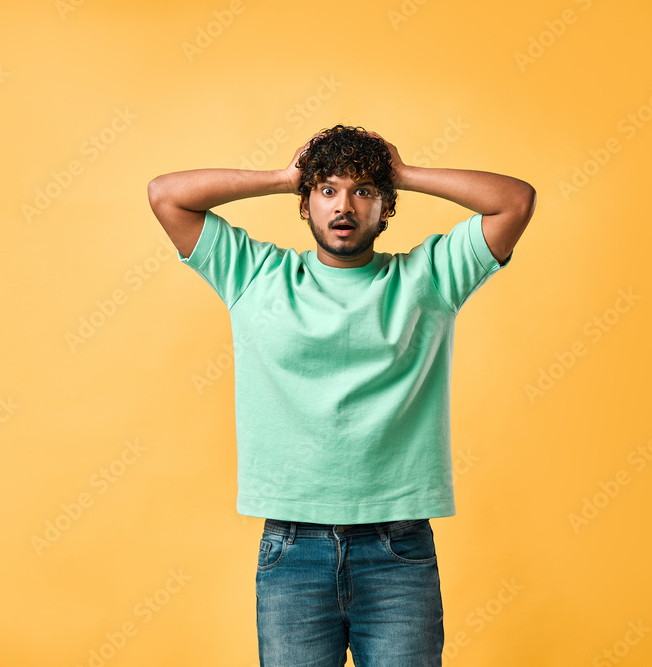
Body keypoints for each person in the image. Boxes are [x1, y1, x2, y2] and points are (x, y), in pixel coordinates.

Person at [147, 124, 536, 666]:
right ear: (305, 204)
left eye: (365, 191)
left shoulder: (430, 278)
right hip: (293, 546)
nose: (344, 205)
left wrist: (402, 172)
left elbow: (515, 201)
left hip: (397, 548)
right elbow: (166, 195)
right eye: (327, 189)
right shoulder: (255, 275)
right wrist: (285, 176)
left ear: (385, 207)